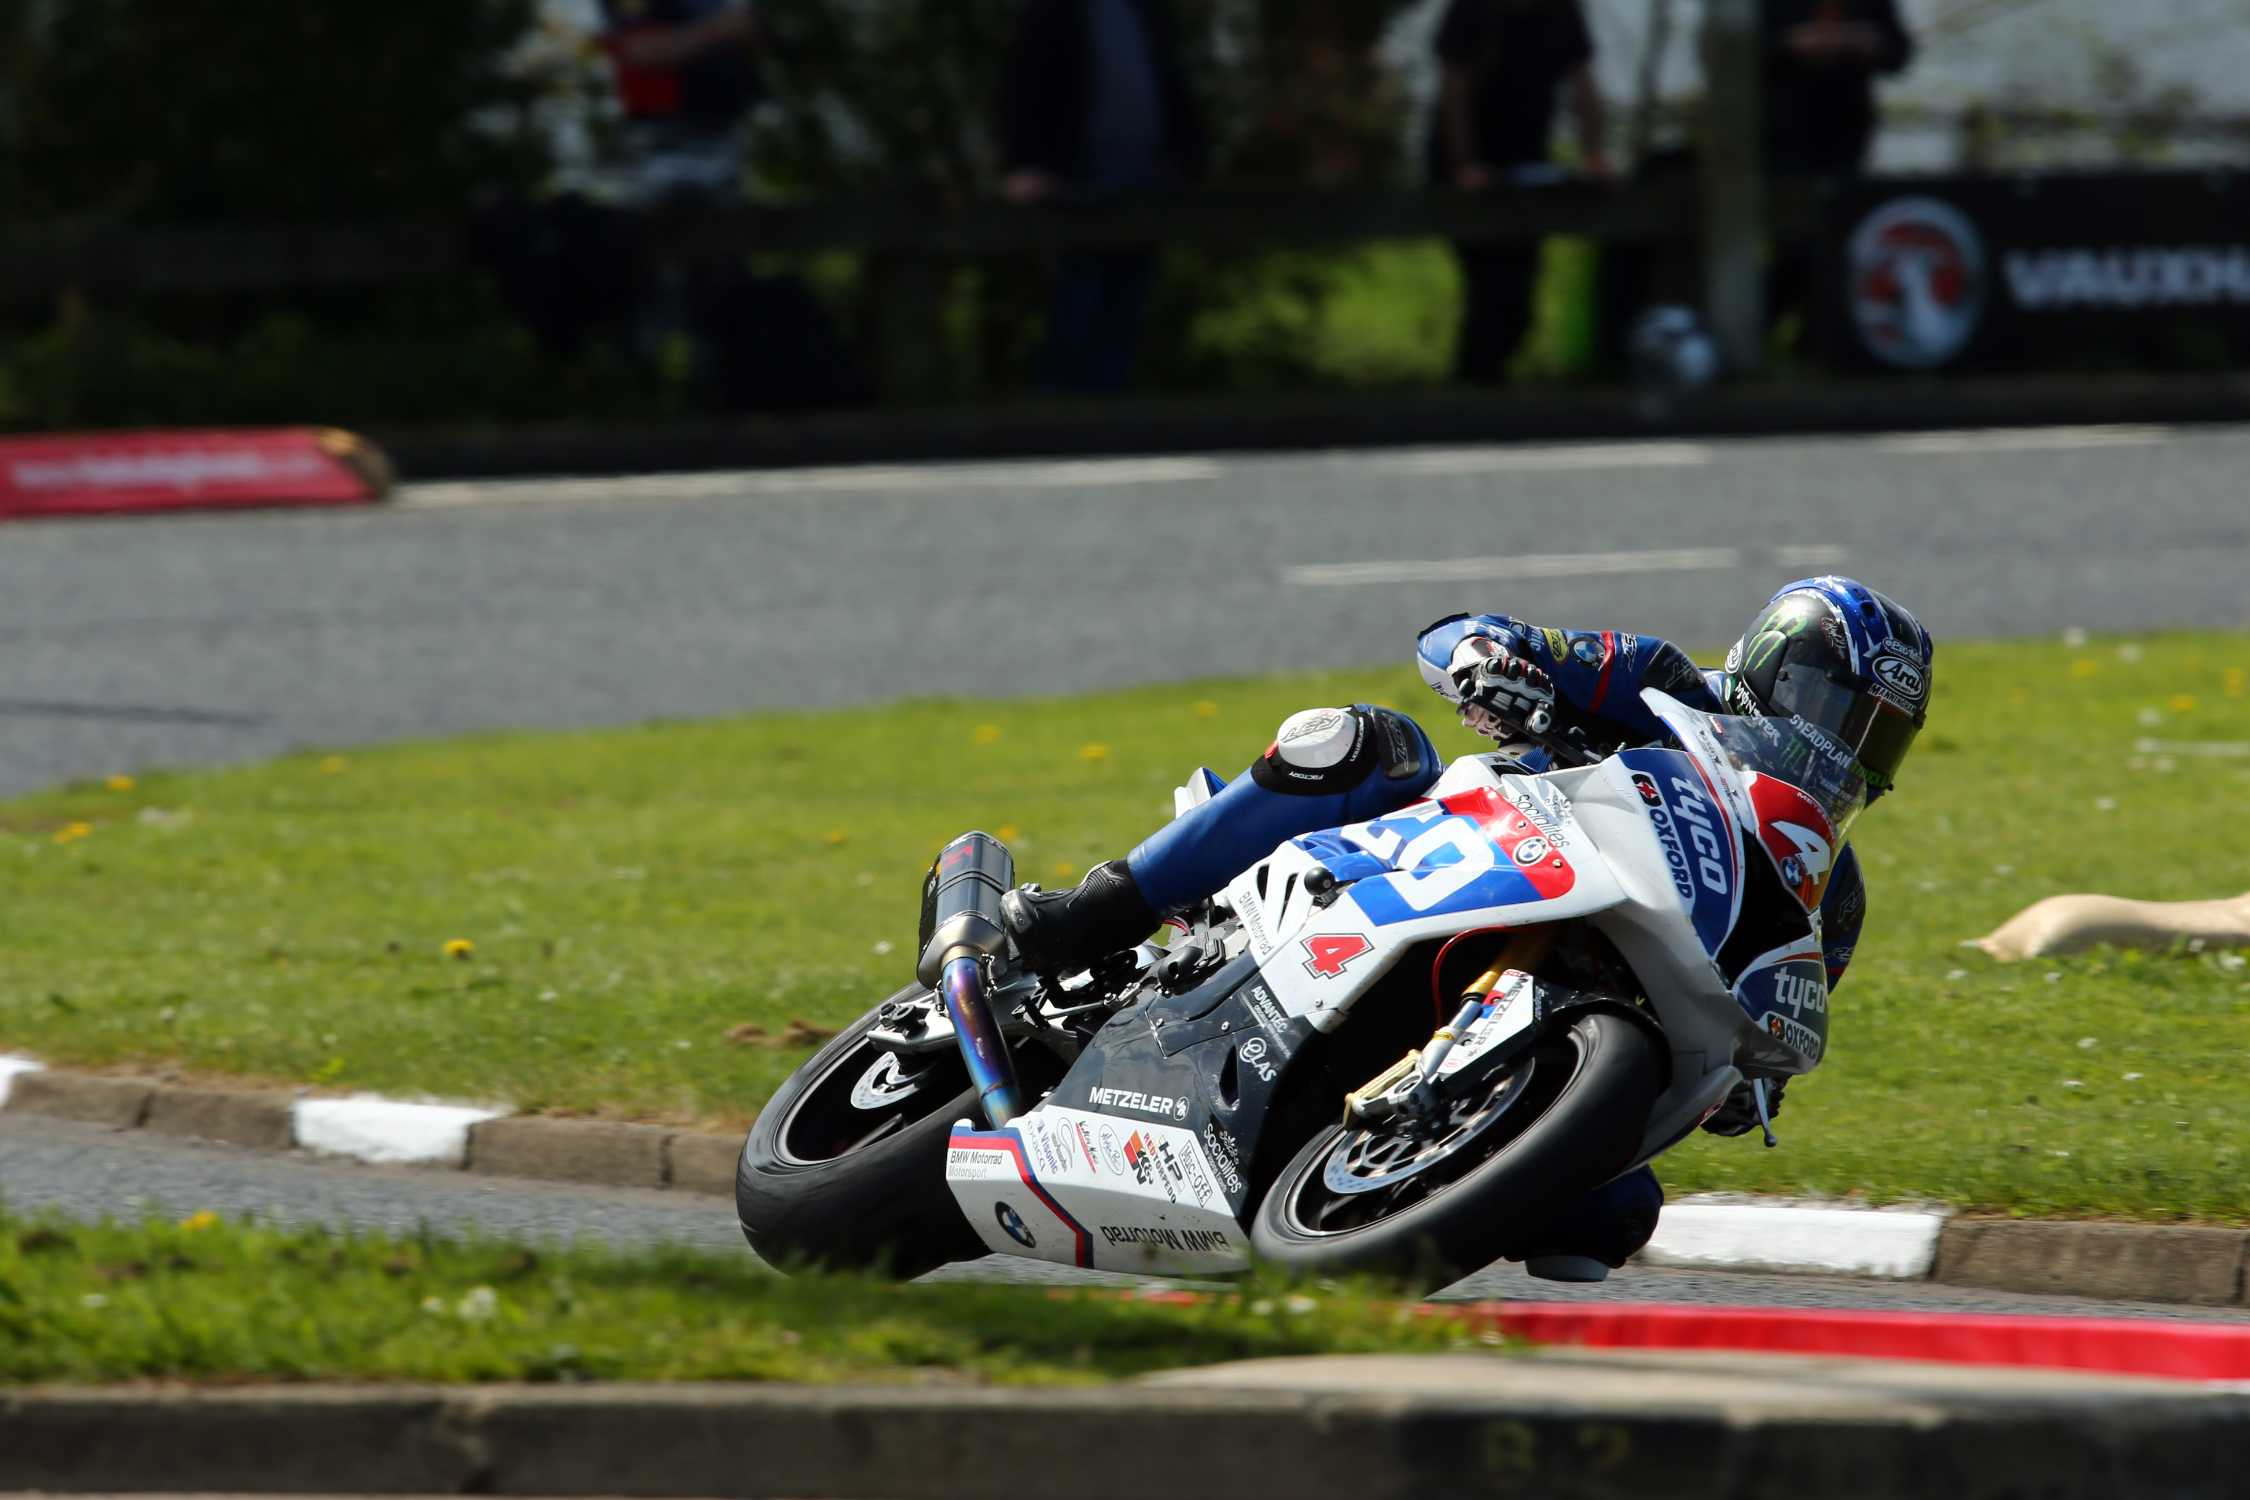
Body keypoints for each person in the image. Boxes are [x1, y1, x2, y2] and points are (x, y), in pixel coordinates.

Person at [1001, 576, 1935, 1275]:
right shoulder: (1659, 682)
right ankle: (1096, 914)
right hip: (1452, 854)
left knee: (1616, 1217)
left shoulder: (1830, 895)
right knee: (1361, 741)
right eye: (1834, 710)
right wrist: (1492, 664)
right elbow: (1460, 634)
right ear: (1774, 668)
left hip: (1583, 996)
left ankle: (1386, 1194)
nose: (1842, 748)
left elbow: (1756, 1043)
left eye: (1874, 735)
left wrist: (1743, 1090)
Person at [998, 0, 1209, 393]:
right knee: (1074, 314)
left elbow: (1173, 85)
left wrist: (1188, 163)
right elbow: (1024, 85)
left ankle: (1107, 420)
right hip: (1072, 191)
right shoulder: (1055, 12)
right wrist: (1024, 162)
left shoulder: (1145, 11)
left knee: (1124, 316)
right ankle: (1062, 426)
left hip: (1143, 187)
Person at [1428, 0, 1610, 384]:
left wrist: (1593, 155)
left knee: (1518, 292)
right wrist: (1465, 164)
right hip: (1466, 163)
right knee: (1489, 283)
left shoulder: (1560, 13)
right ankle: (1473, 382)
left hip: (1526, 166)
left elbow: (1583, 88)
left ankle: (1484, 380)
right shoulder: (1471, 12)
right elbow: (1454, 92)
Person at [1761, 0, 1915, 177]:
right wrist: (1790, 42)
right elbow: (1739, 50)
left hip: (1847, 122)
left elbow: (1898, 52)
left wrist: (1869, 41)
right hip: (1780, 122)